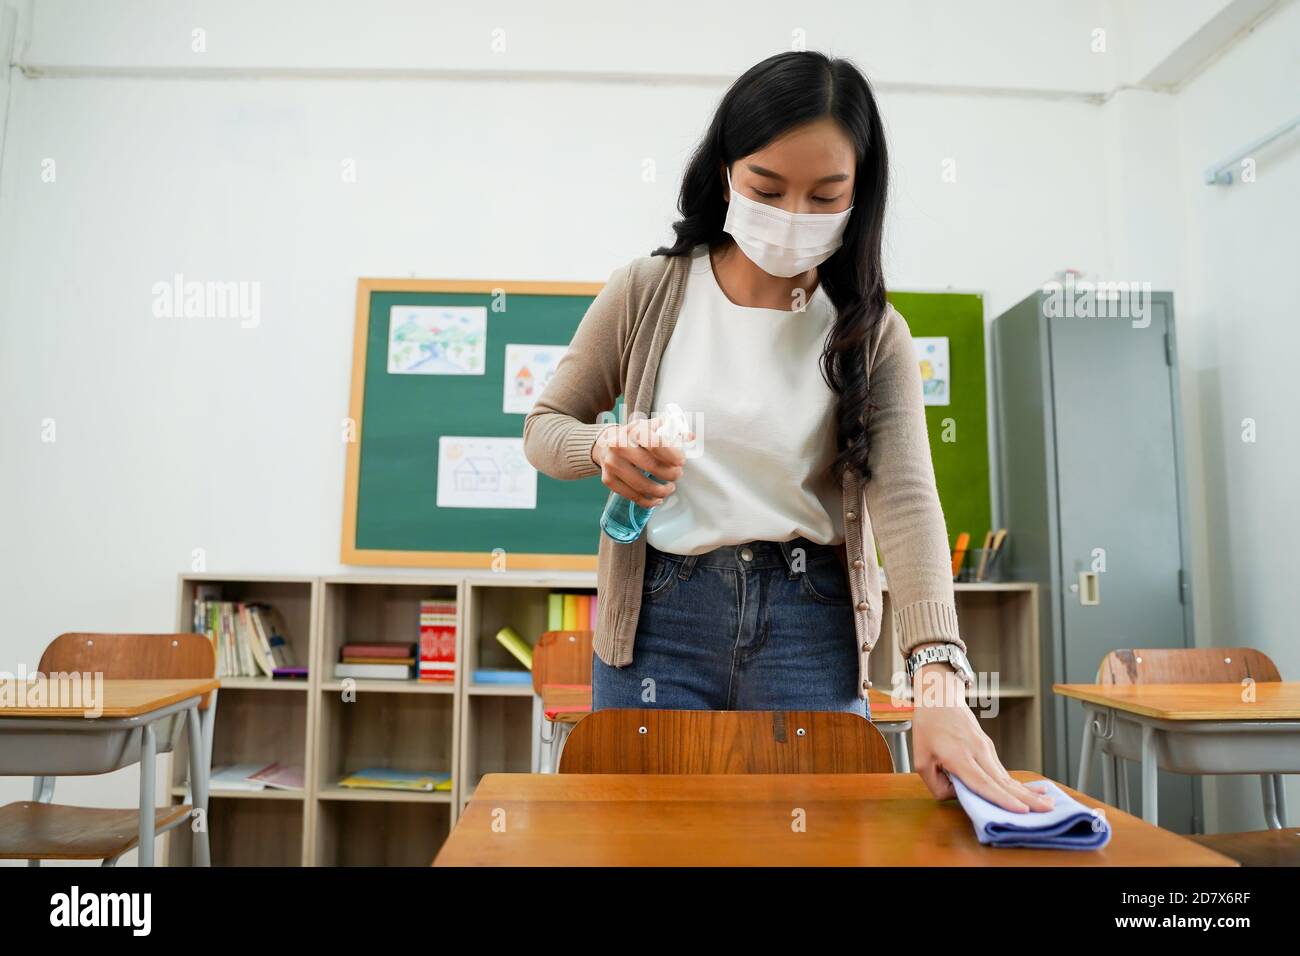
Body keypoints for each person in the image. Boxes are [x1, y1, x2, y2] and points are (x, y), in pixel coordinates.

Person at [524, 51, 1052, 813]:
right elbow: (545, 428)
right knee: (652, 840)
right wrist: (601, 447)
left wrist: (938, 677)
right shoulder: (647, 290)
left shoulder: (872, 333)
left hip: (813, 624)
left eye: (825, 195)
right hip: (661, 622)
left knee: (819, 841)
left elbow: (905, 499)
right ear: (723, 172)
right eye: (767, 189)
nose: (793, 218)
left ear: (858, 196)